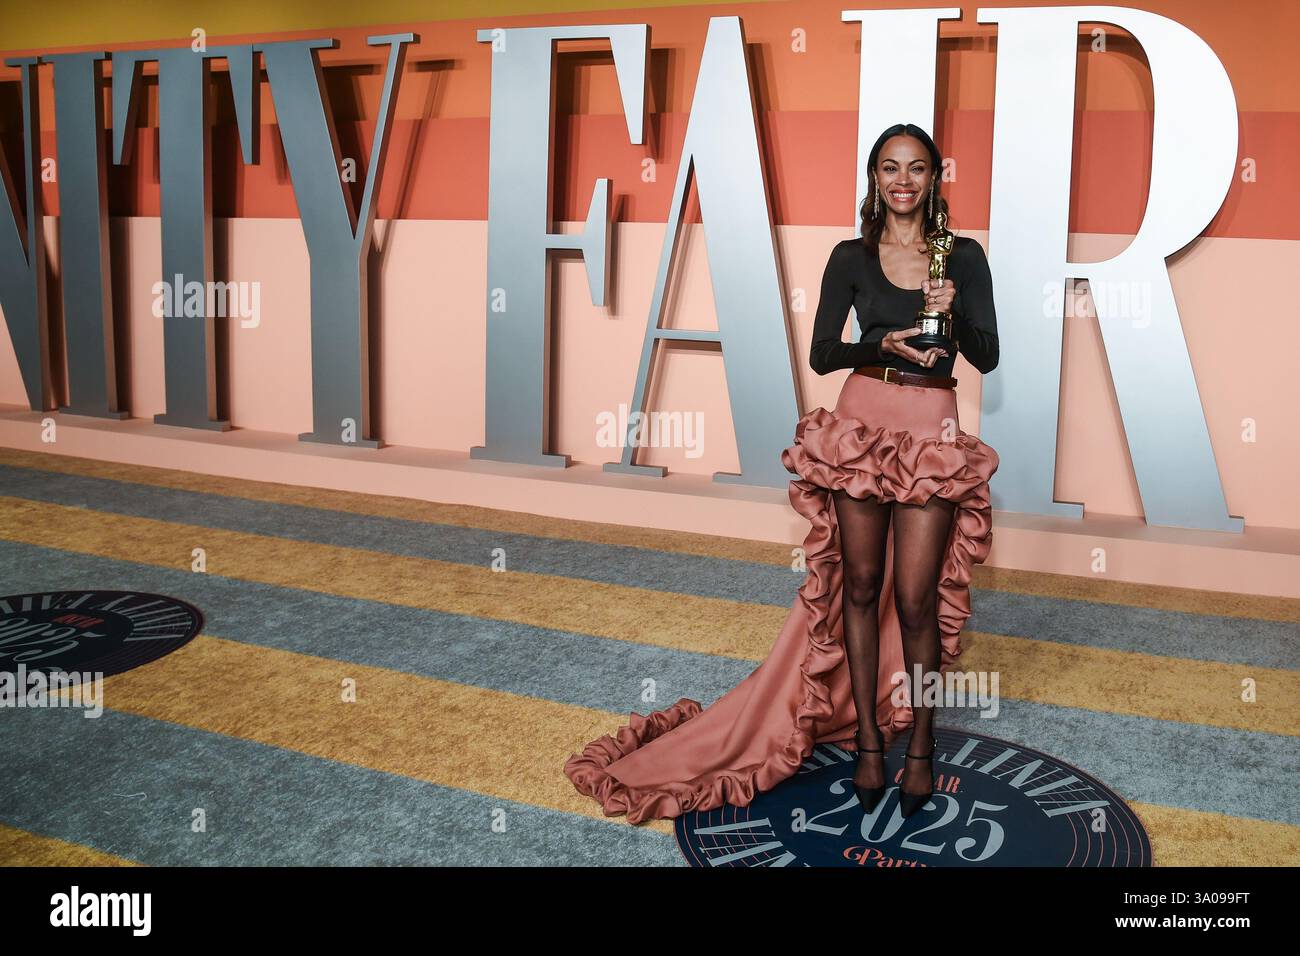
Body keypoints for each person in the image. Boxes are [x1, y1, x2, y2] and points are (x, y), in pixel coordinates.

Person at [563, 123, 999, 825]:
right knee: (858, 586)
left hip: (929, 433)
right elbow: (825, 353)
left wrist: (958, 318)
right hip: (860, 425)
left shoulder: (961, 257)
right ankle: (864, 742)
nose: (903, 181)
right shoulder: (849, 257)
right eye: (890, 168)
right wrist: (875, 343)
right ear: (875, 177)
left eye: (916, 169)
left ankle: (920, 744)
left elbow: (989, 354)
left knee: (916, 600)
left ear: (933, 178)